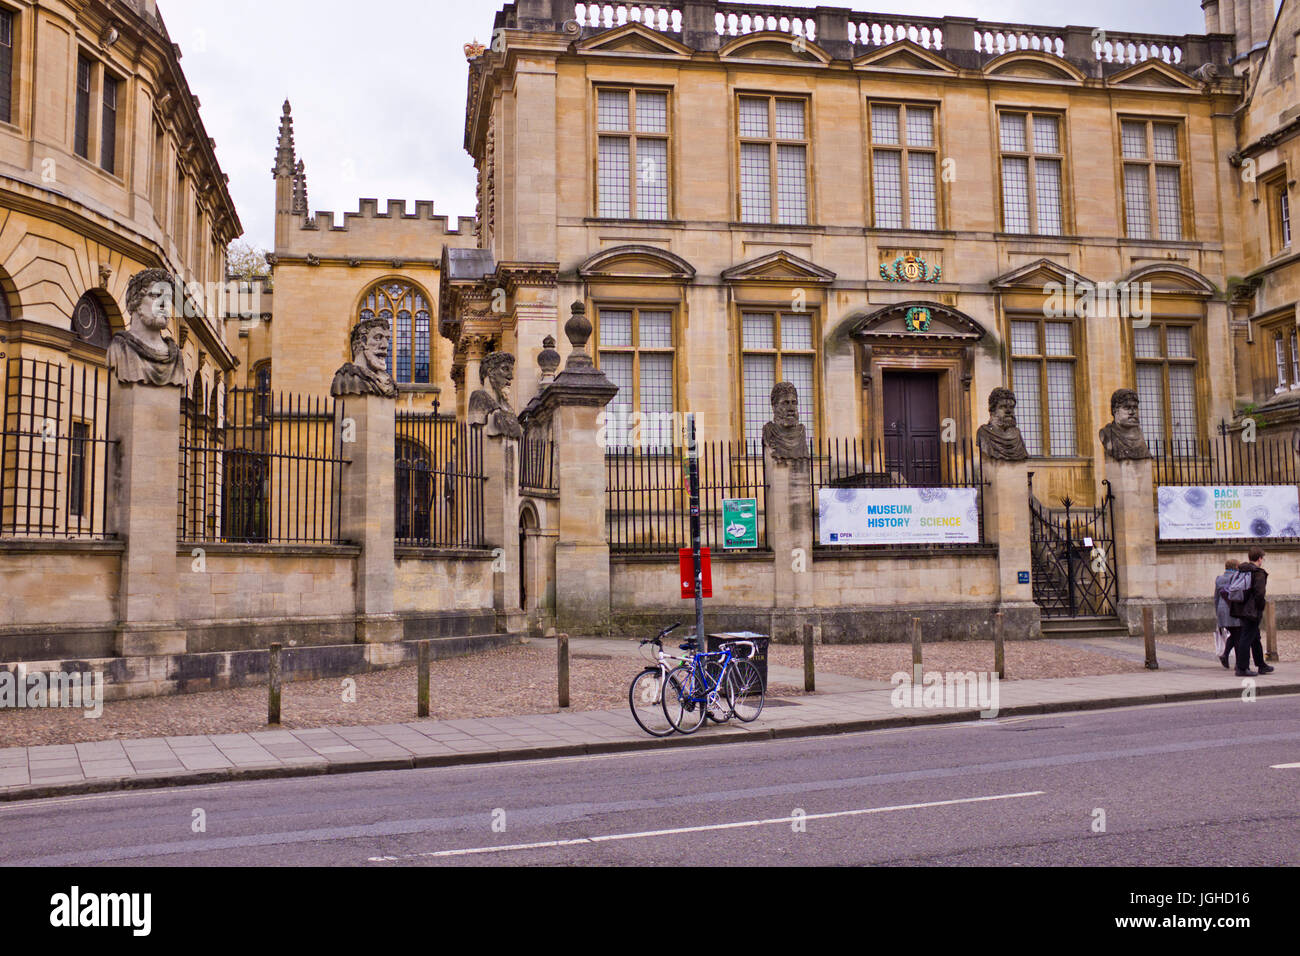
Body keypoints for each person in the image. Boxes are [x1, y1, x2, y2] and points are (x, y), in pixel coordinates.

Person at [1233, 547, 1275, 676]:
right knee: (1246, 638)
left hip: (1241, 608)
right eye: (1262, 558)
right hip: (1252, 610)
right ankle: (1241, 668)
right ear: (1260, 558)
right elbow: (1259, 593)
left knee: (1255, 637)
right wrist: (1260, 607)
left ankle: (1261, 665)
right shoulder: (1258, 572)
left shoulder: (1242, 569)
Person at [1215, 559, 1243, 669]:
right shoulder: (1236, 577)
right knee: (1238, 636)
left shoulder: (1219, 579)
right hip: (1233, 609)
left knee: (1235, 634)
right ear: (1236, 566)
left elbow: (1216, 597)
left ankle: (1225, 656)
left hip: (1222, 610)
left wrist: (1217, 612)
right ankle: (1238, 663)